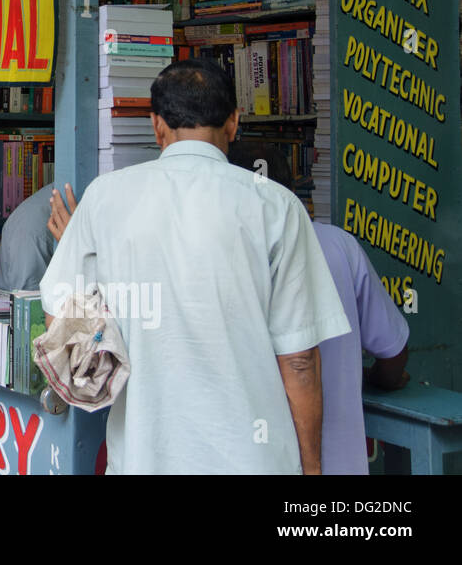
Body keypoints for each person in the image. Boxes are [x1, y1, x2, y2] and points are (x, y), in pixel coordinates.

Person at [38, 58, 350, 474]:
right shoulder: (277, 206)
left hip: (144, 457)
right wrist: (312, 468)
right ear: (234, 123)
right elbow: (299, 360)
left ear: (157, 126)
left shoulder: (104, 198)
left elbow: (59, 316)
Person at [227, 140, 411, 475]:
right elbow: (393, 350)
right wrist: (378, 378)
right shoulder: (339, 245)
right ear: (292, 189)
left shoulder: (222, 254)